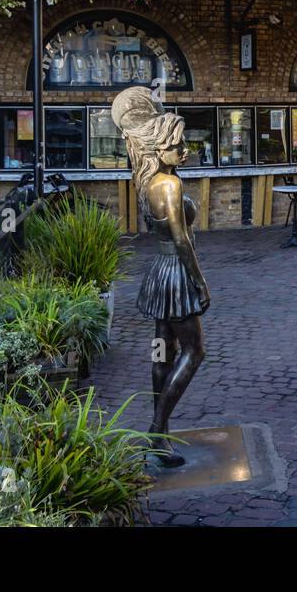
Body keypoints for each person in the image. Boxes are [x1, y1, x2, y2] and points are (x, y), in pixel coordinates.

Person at [112, 86, 210, 467]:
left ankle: (160, 434)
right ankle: (157, 427)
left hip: (159, 271)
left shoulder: (147, 181)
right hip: (177, 274)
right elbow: (182, 240)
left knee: (162, 352)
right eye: (177, 145)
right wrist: (201, 283)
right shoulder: (168, 184)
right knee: (195, 351)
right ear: (157, 149)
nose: (184, 151)